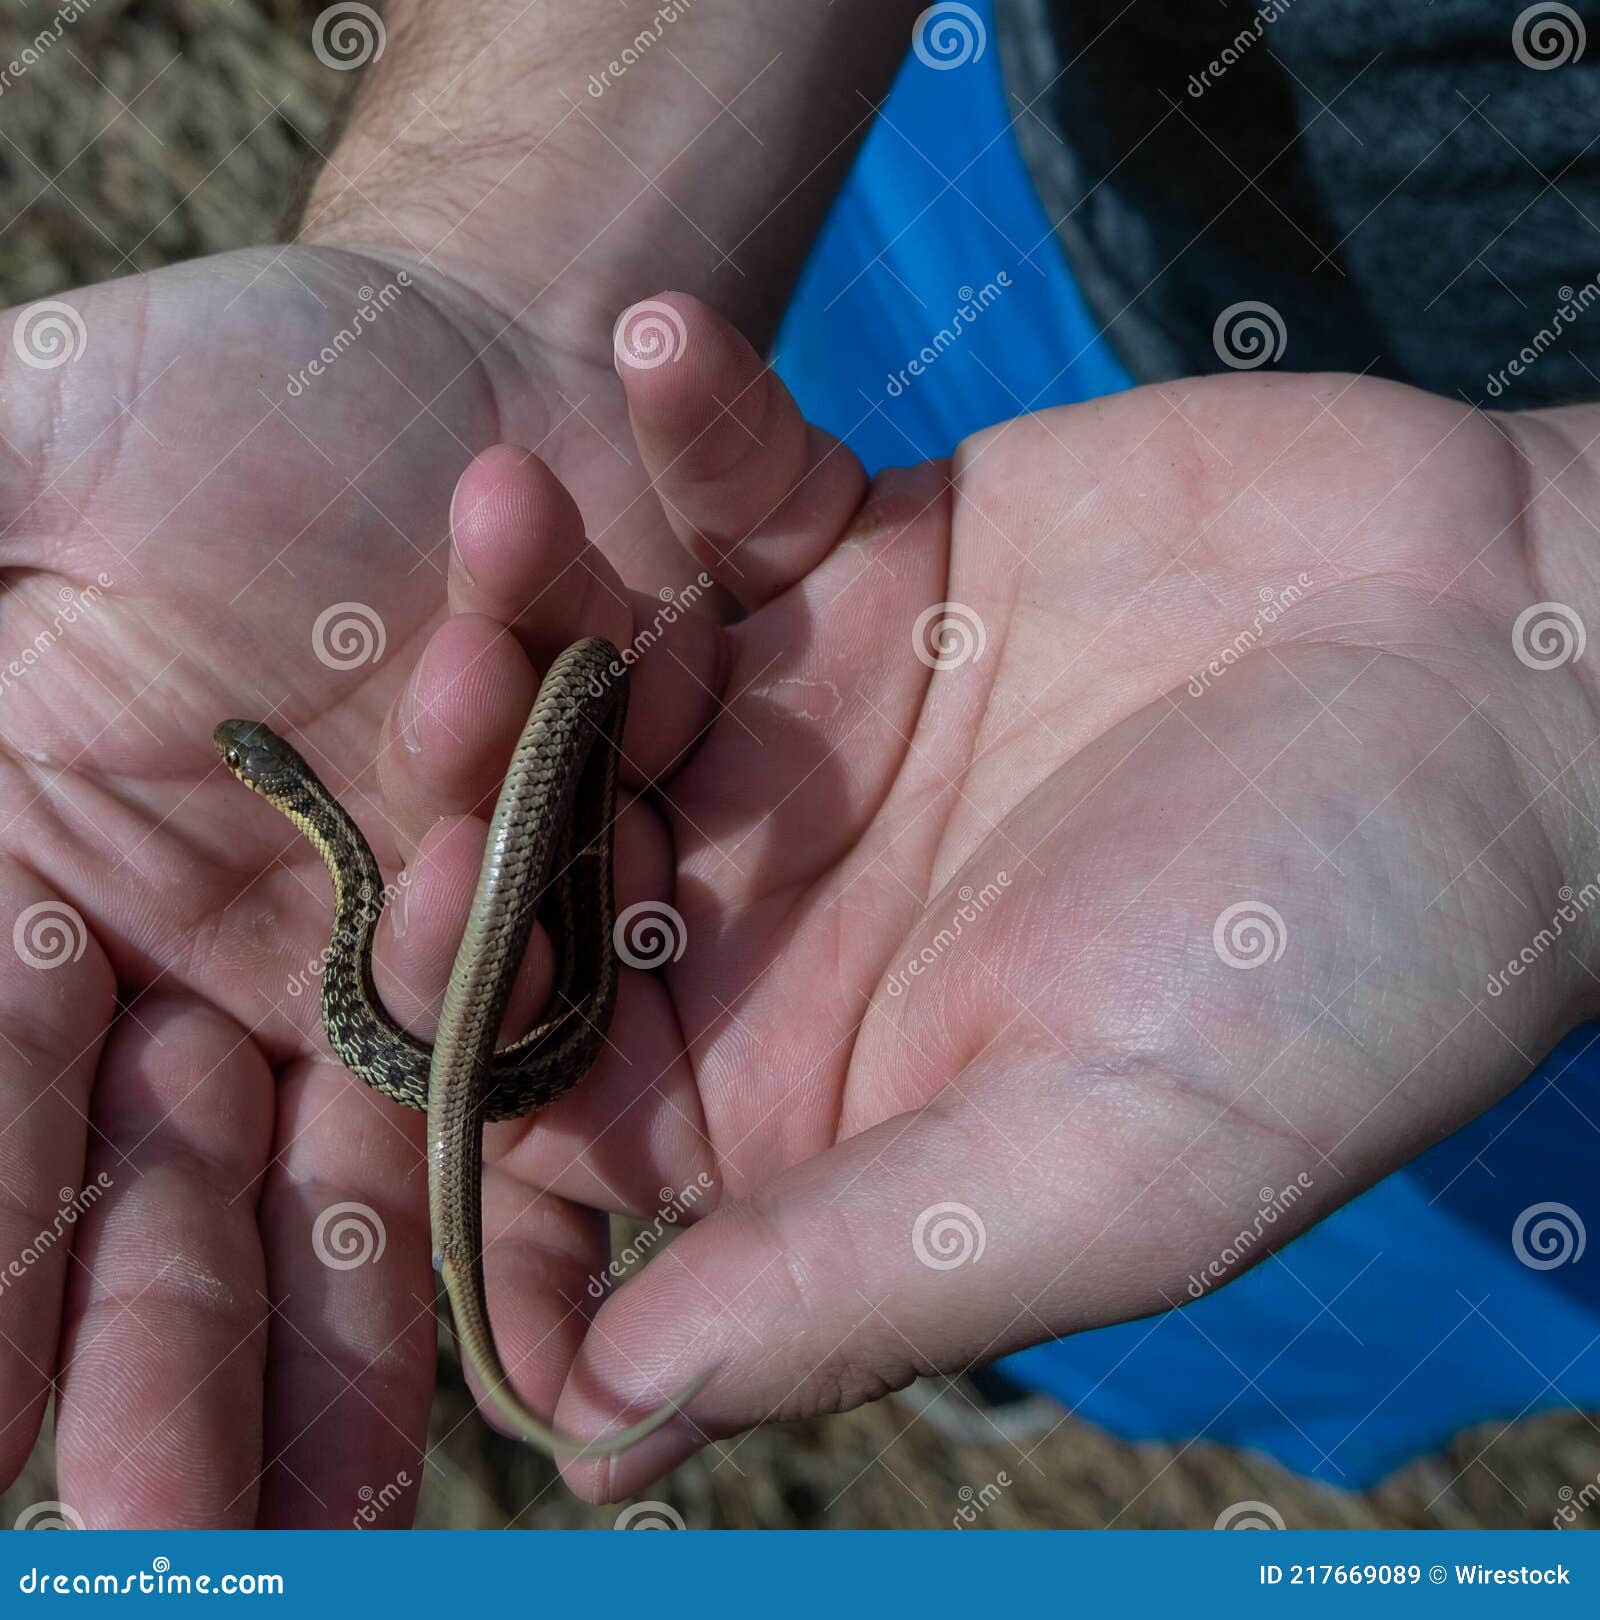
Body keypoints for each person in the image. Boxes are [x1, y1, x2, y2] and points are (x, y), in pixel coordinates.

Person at [0, 0, 1595, 1528]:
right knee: (928, 1057)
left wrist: (1548, 618)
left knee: (1277, 1213)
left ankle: (1071, 1346)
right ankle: (1029, 1329)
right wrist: (510, 270)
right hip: (913, 397)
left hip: (1477, 836)